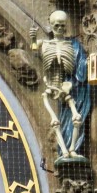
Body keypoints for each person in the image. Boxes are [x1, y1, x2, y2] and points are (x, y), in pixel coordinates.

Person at [30, 10, 90, 159]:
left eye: (63, 26)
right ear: (51, 26)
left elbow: (80, 65)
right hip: (51, 88)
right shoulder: (44, 43)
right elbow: (33, 49)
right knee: (56, 122)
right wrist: (32, 38)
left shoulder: (73, 45)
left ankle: (72, 149)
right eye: (57, 26)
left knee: (77, 119)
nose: (60, 29)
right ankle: (63, 151)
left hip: (67, 88)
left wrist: (88, 62)